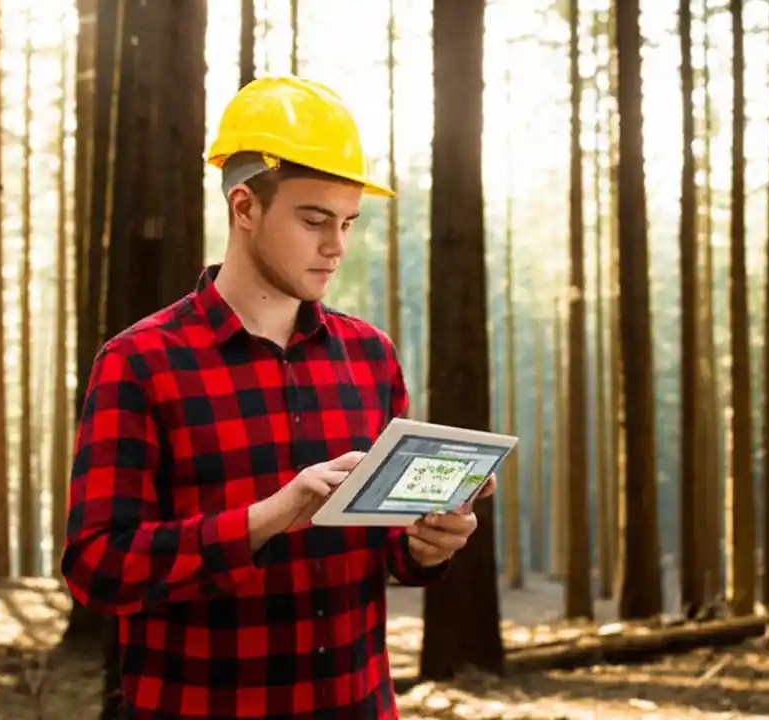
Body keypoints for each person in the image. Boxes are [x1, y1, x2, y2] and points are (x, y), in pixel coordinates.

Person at [61, 76, 495, 719]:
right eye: (314, 220)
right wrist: (268, 517)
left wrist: (427, 544)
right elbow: (97, 566)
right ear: (244, 207)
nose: (336, 246)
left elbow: (387, 547)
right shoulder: (141, 362)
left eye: (348, 222)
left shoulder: (370, 357)